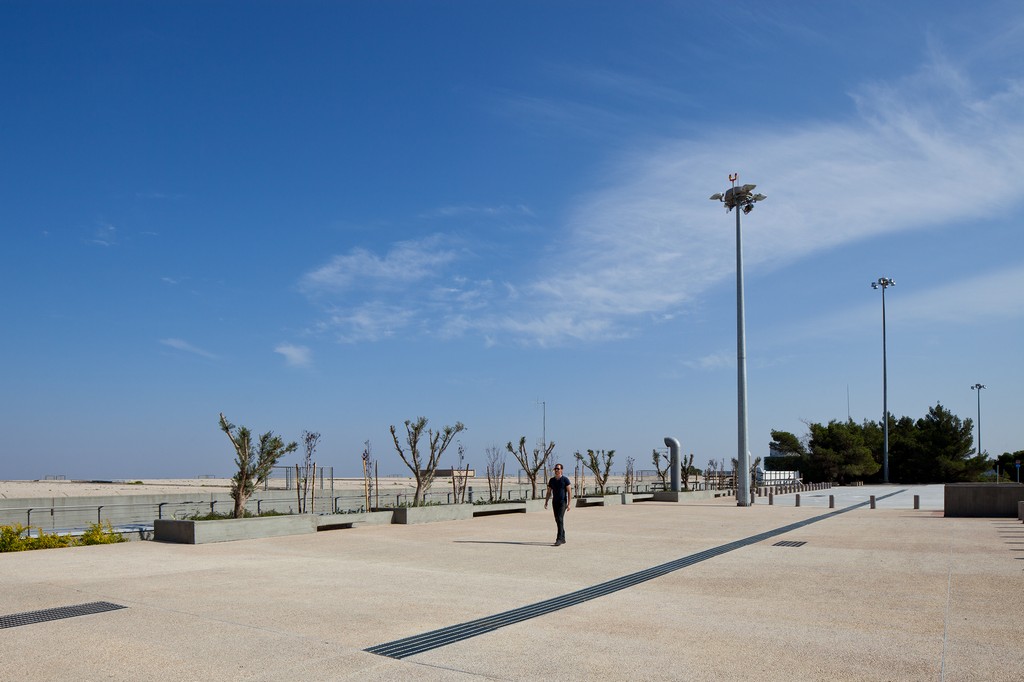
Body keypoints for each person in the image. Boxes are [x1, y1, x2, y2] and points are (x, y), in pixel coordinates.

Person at [544, 463, 572, 546]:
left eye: (558, 469)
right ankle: (563, 537)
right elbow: (549, 492)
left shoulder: (565, 480)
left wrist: (569, 504)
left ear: (561, 470)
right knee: (557, 519)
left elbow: (570, 492)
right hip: (554, 502)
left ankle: (559, 539)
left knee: (560, 518)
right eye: (555, 469)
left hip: (562, 502)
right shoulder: (551, 480)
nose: (556, 470)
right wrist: (546, 502)